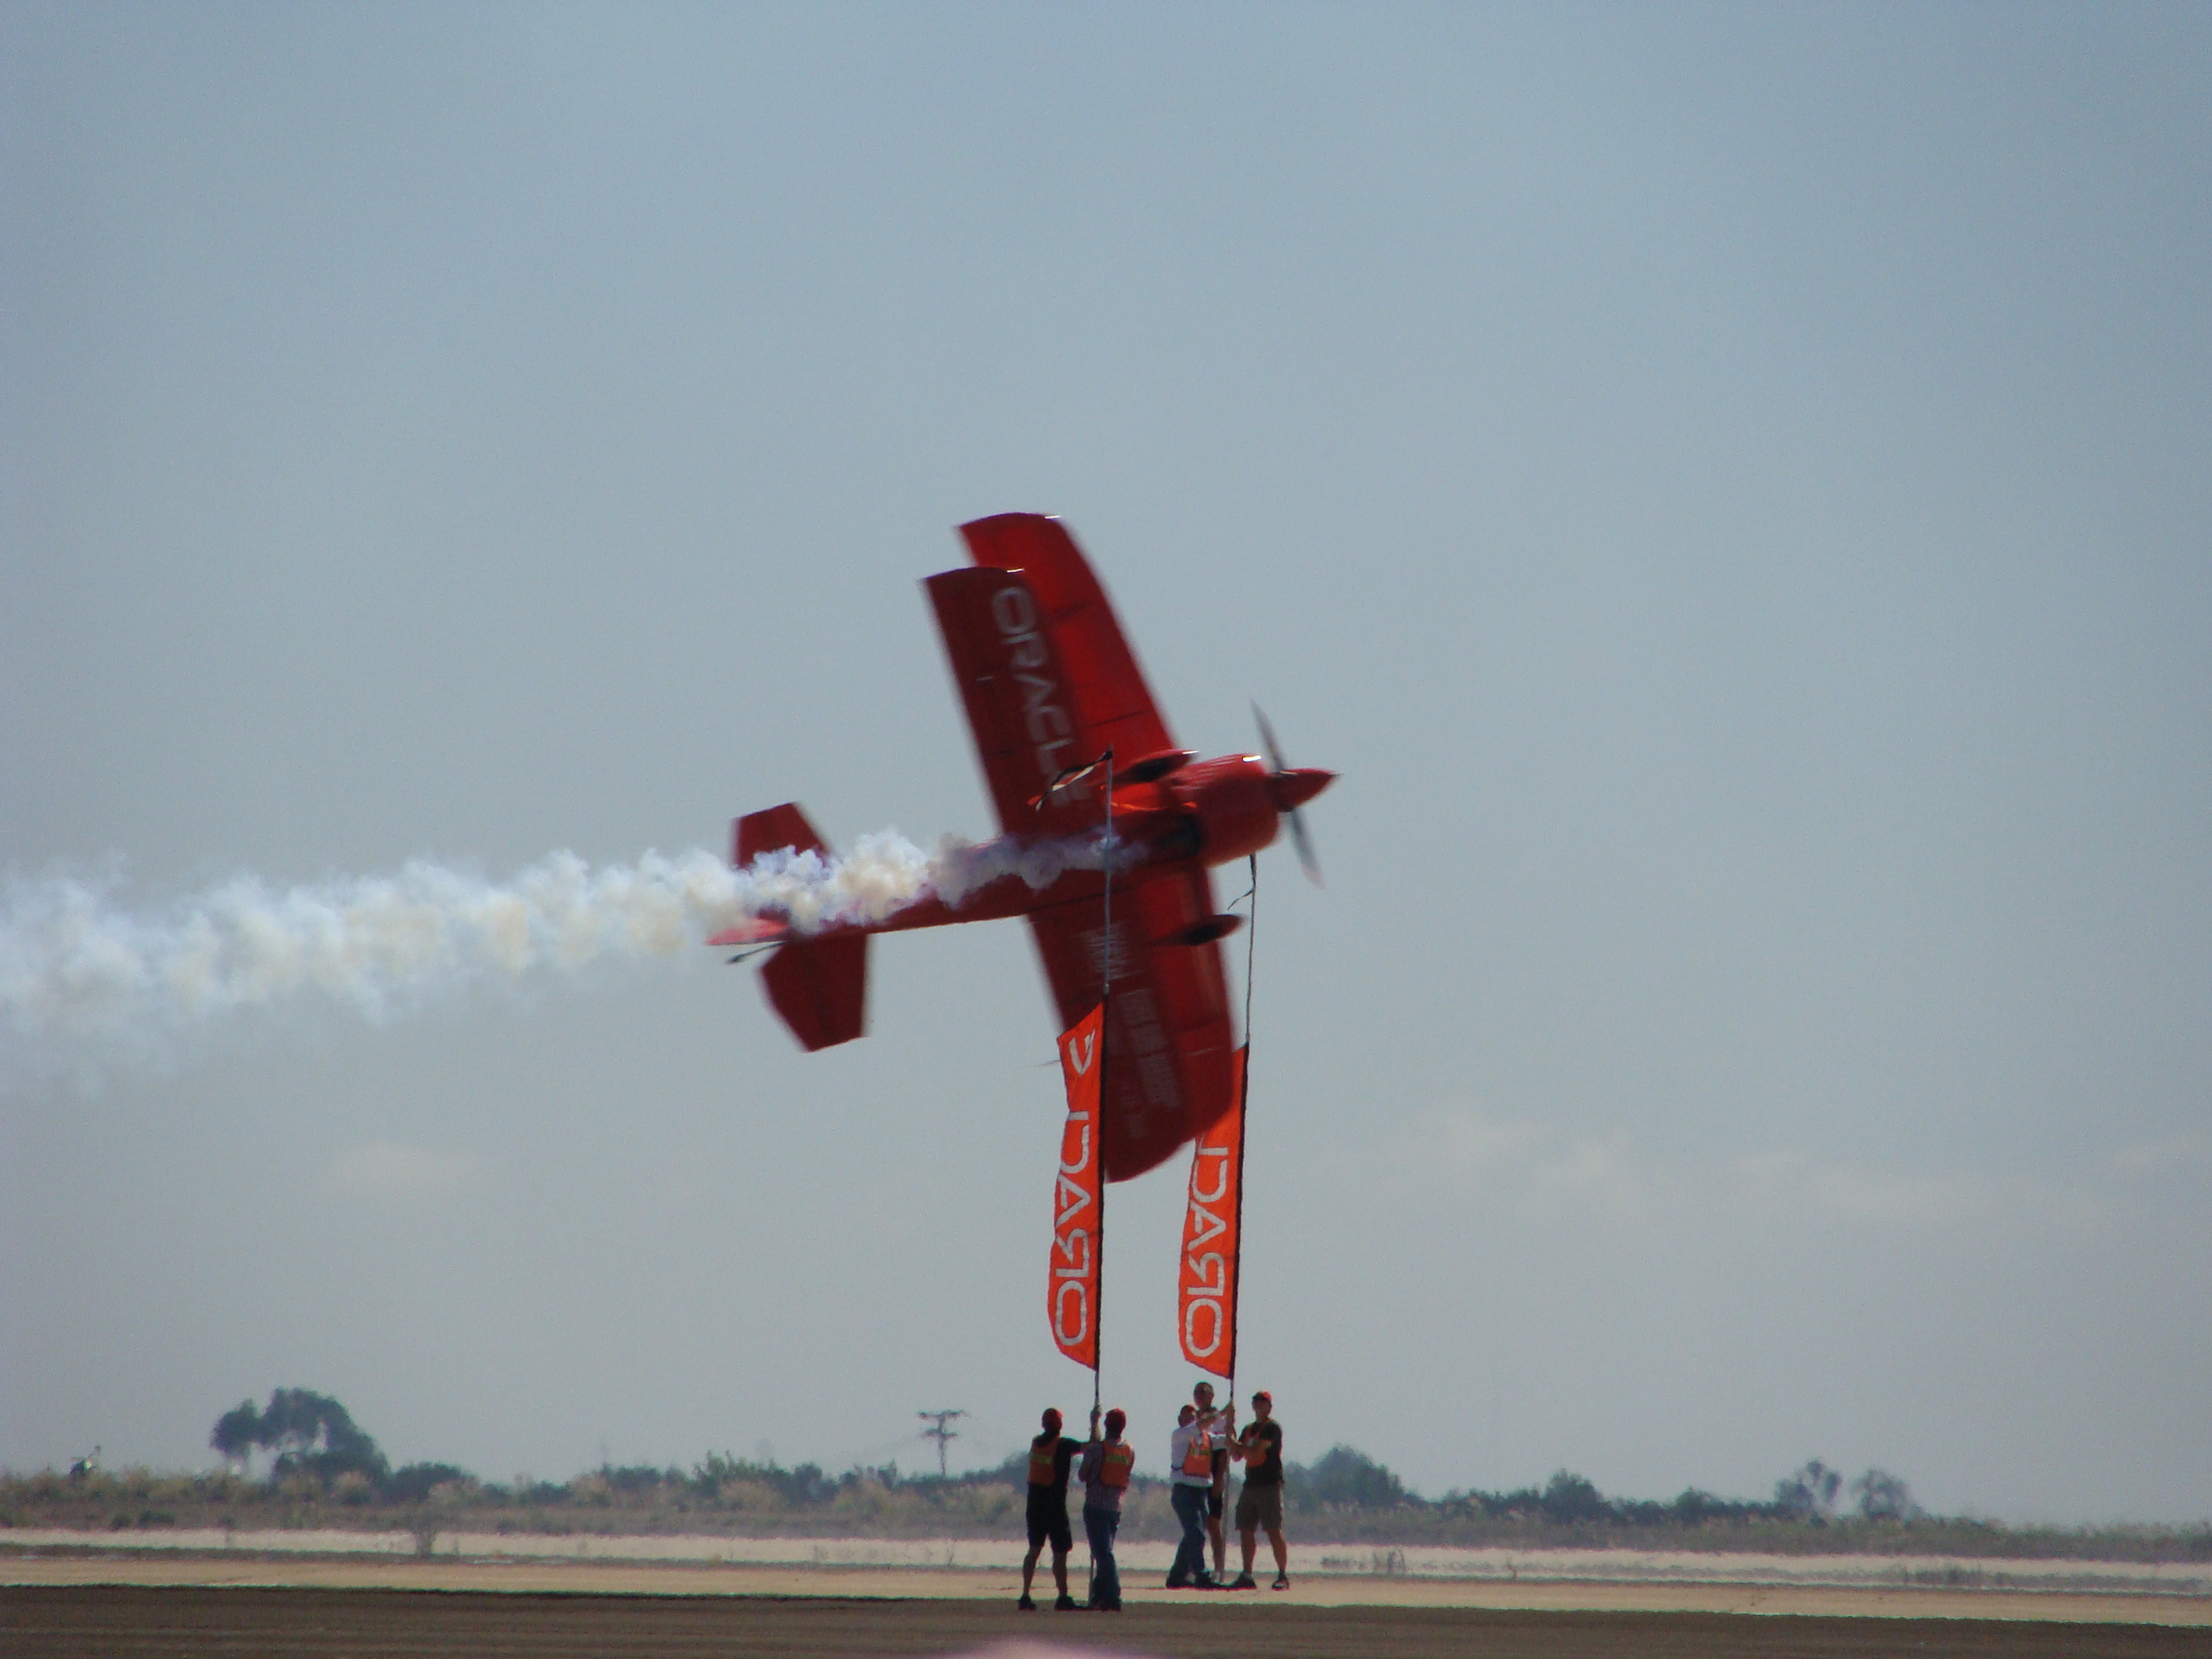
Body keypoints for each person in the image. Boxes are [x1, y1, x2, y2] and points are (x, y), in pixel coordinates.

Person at [1019, 1406, 1088, 1610]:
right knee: (1060, 1552)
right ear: (1060, 1425)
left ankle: (1025, 1594)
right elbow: (1089, 1446)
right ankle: (1063, 1596)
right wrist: (1094, 1422)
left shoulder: (1036, 1444)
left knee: (1034, 1549)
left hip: (1034, 1505)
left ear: (1043, 1424)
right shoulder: (1063, 1445)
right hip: (1054, 1506)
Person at [1228, 1389, 1289, 1591]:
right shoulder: (1248, 1429)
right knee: (1245, 1529)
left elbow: (1254, 1451)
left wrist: (1236, 1445)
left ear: (1269, 1406)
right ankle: (1247, 1573)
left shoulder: (1272, 1428)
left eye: (1263, 1402)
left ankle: (1282, 1574)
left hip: (1269, 1485)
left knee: (1273, 1529)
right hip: (1251, 1484)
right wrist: (1230, 1434)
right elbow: (1237, 1456)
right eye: (1256, 1401)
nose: (1259, 1405)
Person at [1076, 1406, 1134, 1610]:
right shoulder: (1129, 1450)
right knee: (1103, 1551)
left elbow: (1083, 1475)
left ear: (1106, 1425)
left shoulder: (1097, 1449)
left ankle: (1112, 1595)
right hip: (1115, 1506)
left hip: (1096, 1505)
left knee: (1103, 1552)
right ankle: (1098, 1595)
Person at [1166, 1400, 1224, 1589]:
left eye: (1194, 1415)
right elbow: (1197, 1427)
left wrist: (1231, 1427)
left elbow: (1225, 1441)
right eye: (1187, 1415)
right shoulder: (1180, 1435)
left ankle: (1177, 1576)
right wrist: (1222, 1414)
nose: (1191, 1418)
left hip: (1201, 1492)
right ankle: (1202, 1575)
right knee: (1196, 1535)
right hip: (1184, 1491)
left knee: (1192, 1535)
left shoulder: (1207, 1438)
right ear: (1180, 1419)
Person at [1192, 1381, 1234, 1578]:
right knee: (1195, 1525)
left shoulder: (1219, 1419)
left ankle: (1218, 1568)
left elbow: (1224, 1452)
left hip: (1212, 1475)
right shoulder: (1193, 1418)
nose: (1199, 1396)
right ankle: (1195, 1567)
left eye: (1203, 1392)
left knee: (1213, 1525)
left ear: (1212, 1395)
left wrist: (1219, 1479)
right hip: (1194, 1476)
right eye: (1196, 1393)